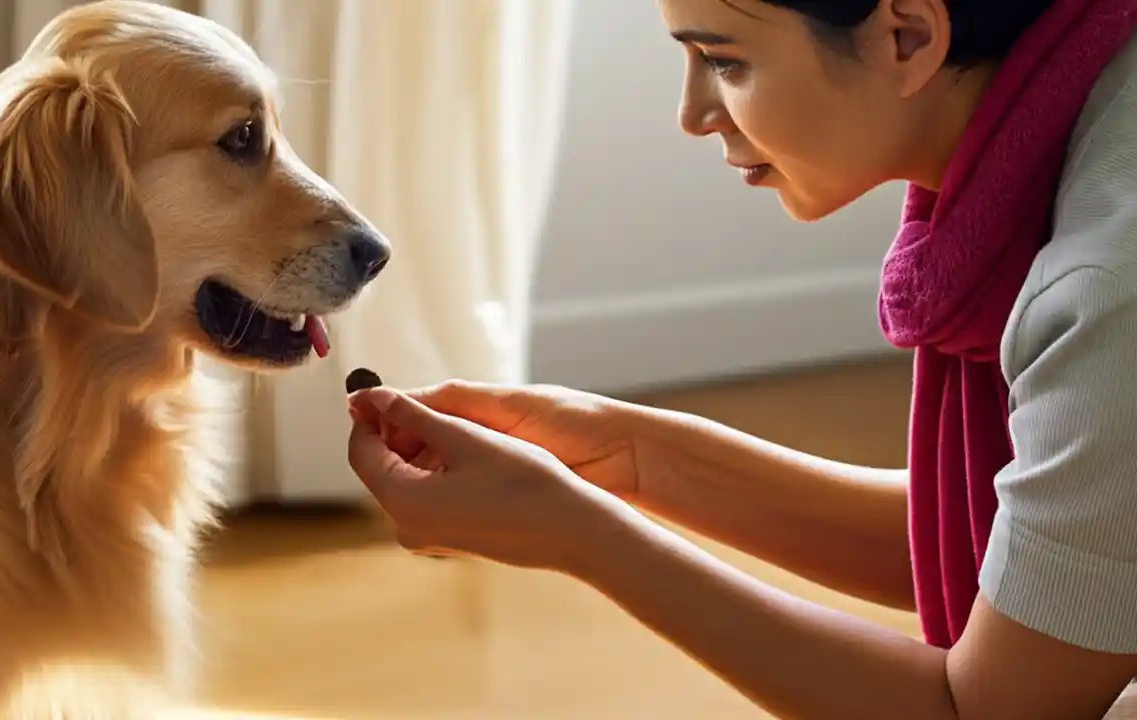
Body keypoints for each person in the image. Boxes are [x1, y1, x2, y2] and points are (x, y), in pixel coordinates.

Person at [346, 0, 1137, 717]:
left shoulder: (1108, 292)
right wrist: (626, 455)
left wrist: (578, 535)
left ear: (907, 36)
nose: (692, 115)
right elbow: (1047, 552)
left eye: (725, 61)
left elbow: (981, 710)